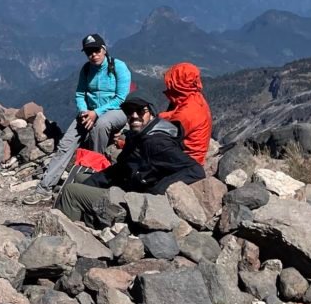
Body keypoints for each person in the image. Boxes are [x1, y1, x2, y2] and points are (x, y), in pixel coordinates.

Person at [57, 96, 204, 226]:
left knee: (71, 191)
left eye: (140, 111)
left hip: (135, 201)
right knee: (80, 178)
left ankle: (68, 236)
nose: (134, 116)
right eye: (129, 112)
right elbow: (121, 168)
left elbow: (195, 170)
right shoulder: (141, 136)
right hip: (131, 185)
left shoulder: (156, 143)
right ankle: (84, 218)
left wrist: (157, 192)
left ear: (151, 114)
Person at [33, 32, 132, 197]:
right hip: (89, 112)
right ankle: (44, 188)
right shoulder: (86, 69)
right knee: (66, 144)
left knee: (100, 126)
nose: (93, 55)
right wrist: (84, 111)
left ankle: (95, 176)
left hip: (116, 112)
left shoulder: (119, 67)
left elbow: (121, 98)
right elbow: (80, 94)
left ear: (104, 49)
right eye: (89, 52)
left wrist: (97, 113)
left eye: (96, 50)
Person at [161, 61, 213, 166]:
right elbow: (176, 115)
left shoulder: (188, 112)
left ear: (178, 84)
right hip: (189, 156)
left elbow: (164, 137)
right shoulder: (194, 97)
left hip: (187, 161)